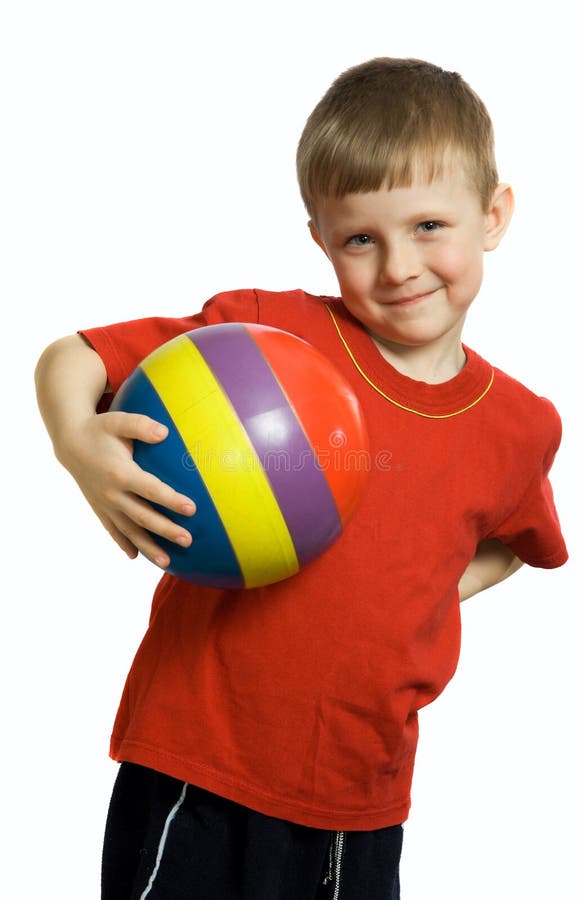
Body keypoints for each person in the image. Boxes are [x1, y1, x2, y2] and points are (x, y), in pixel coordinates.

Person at [35, 58, 568, 899]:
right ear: (321, 239)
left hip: (361, 793)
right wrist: (77, 445)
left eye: (429, 225)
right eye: (361, 238)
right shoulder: (266, 334)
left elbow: (515, 545)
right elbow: (74, 356)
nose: (397, 267)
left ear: (493, 215)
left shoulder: (521, 423)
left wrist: (413, 589)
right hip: (197, 762)